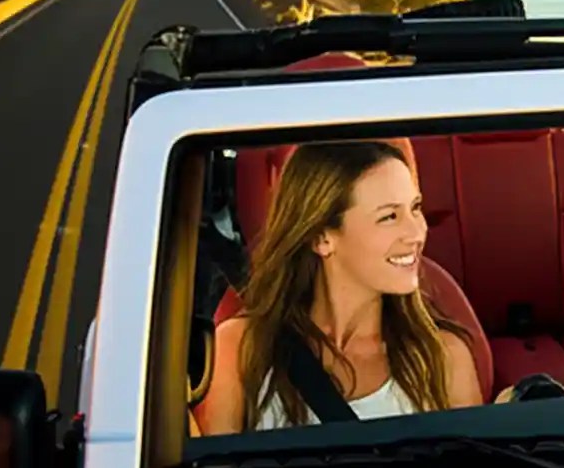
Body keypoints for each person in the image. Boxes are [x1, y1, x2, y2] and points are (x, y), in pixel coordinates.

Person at [195, 139, 484, 434]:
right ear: (322, 238)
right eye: (389, 216)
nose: (417, 232)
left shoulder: (444, 357)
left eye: (416, 207)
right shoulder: (242, 348)